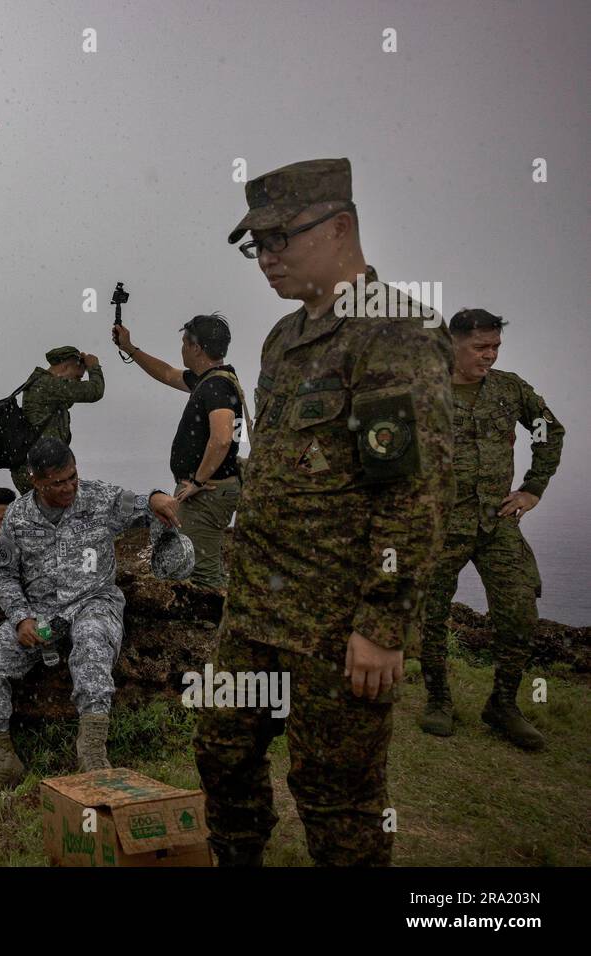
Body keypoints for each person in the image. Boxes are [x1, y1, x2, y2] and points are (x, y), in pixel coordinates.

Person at [194, 158, 454, 866]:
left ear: (340, 228)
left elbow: (413, 494)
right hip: (255, 608)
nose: (266, 258)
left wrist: (382, 625)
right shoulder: (282, 340)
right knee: (221, 750)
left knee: (336, 797)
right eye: (257, 245)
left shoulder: (395, 331)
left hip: (336, 623)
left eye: (279, 239)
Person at [0, 437, 181, 803]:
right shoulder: (17, 516)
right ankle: (2, 761)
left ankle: (93, 755)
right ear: (36, 480)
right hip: (40, 611)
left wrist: (159, 496)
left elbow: (143, 504)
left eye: (72, 477)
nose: (68, 487)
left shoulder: (99, 498)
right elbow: (3, 573)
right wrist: (20, 618)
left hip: (93, 601)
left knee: (92, 643)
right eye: (57, 482)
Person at [419, 309, 563, 750]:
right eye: (480, 347)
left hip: (496, 522)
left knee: (520, 611)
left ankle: (503, 704)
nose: (490, 355)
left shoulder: (509, 388)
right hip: (442, 525)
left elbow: (549, 431)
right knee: (430, 615)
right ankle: (438, 699)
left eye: (495, 347)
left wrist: (532, 489)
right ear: (452, 344)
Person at [113, 313, 246, 590]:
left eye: (185, 342)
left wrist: (197, 481)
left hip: (207, 492)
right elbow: (166, 373)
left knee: (202, 574)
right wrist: (130, 348)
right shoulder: (211, 379)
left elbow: (222, 439)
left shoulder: (216, 386)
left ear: (196, 348)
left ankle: (217, 614)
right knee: (197, 566)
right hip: (210, 490)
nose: (182, 348)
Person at [9, 346, 104, 495]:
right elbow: (95, 391)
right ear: (66, 366)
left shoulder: (41, 383)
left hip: (36, 468)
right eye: (78, 377)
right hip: (40, 471)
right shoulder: (47, 384)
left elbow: (67, 401)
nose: (77, 382)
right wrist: (94, 367)